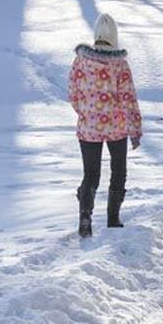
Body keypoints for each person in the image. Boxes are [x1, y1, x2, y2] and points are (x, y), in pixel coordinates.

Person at [68, 13, 142, 238]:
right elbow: (128, 99)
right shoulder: (119, 65)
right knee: (118, 171)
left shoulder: (80, 61)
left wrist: (85, 113)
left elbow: (73, 93)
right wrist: (135, 130)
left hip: (88, 128)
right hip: (116, 128)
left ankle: (85, 215)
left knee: (91, 175)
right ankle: (113, 218)